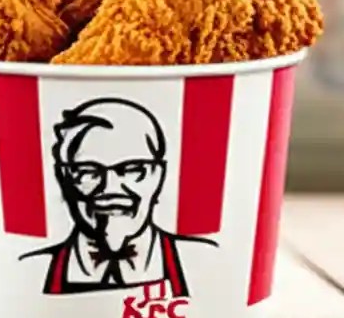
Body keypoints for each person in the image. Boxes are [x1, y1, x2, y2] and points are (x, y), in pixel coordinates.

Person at [21, 98, 214, 296]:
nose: (111, 188)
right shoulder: (29, 271)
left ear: (158, 176)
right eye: (88, 171)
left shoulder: (204, 261)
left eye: (132, 169)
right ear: (63, 178)